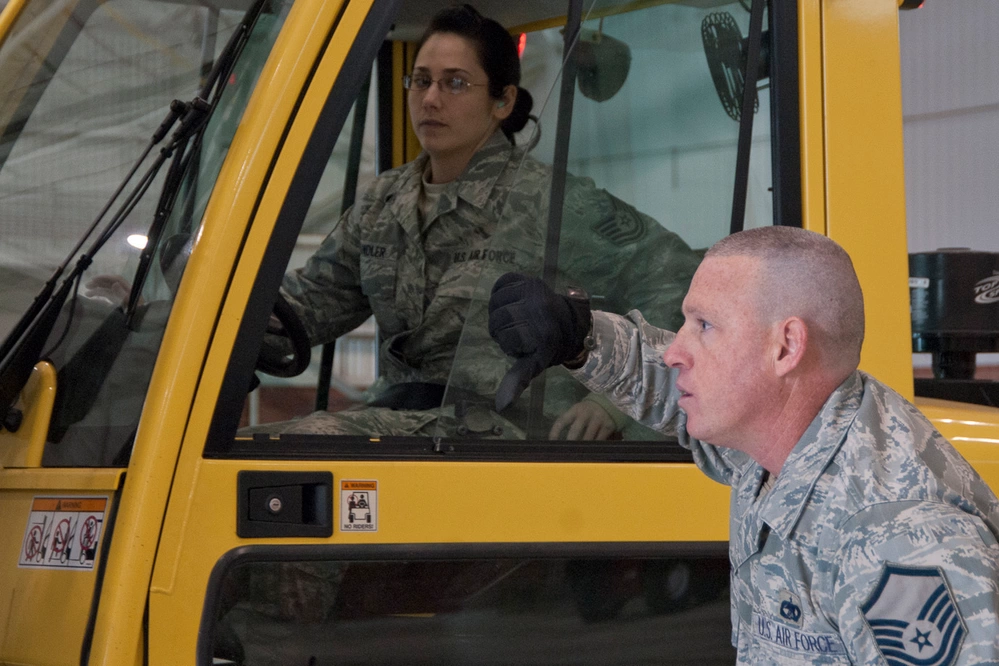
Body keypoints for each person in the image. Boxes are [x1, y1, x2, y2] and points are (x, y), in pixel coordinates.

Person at [488, 226, 999, 664]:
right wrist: (580, 336)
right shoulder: (781, 437)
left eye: (705, 326)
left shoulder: (901, 542)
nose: (677, 352)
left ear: (785, 347)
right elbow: (670, 391)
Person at [271, 4, 701, 439]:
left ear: (503, 100)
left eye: (455, 83)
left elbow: (678, 280)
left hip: (507, 432)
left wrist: (613, 399)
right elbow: (311, 303)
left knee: (305, 444)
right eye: (421, 81)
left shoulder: (547, 200)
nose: (431, 98)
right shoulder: (383, 202)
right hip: (404, 418)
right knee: (263, 444)